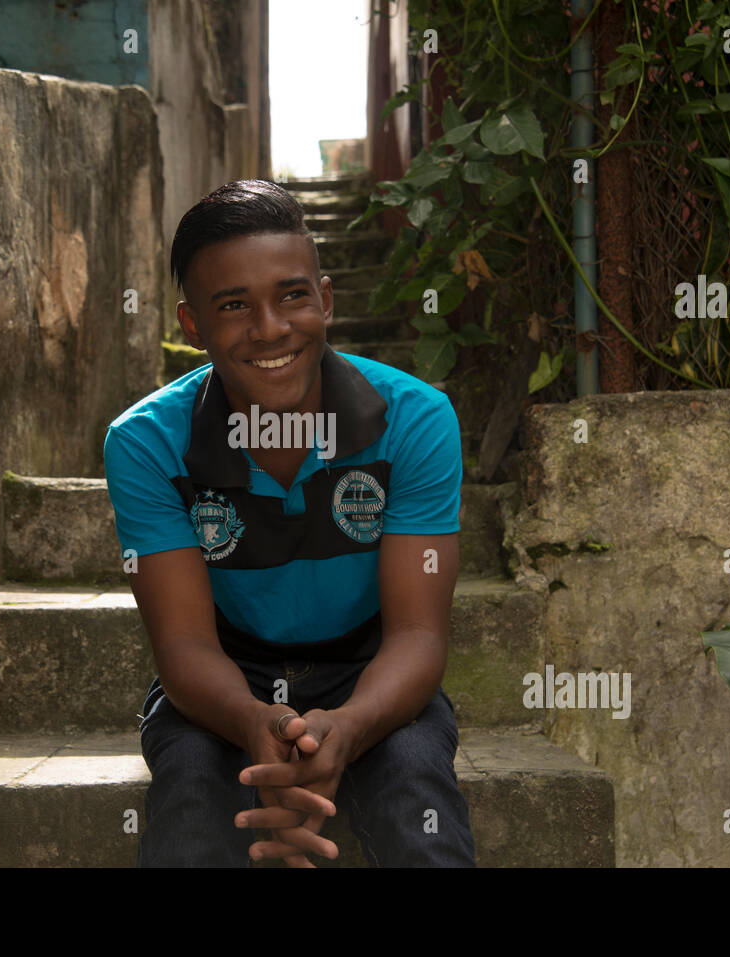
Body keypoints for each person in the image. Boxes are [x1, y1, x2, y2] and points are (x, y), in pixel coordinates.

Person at [103, 179, 475, 867]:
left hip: (369, 669)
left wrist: (350, 724)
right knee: (189, 798)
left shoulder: (415, 420)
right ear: (192, 326)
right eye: (234, 305)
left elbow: (419, 635)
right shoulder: (146, 442)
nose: (271, 328)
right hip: (224, 676)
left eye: (293, 295)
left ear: (326, 300)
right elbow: (183, 643)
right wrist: (255, 721)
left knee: (416, 791)